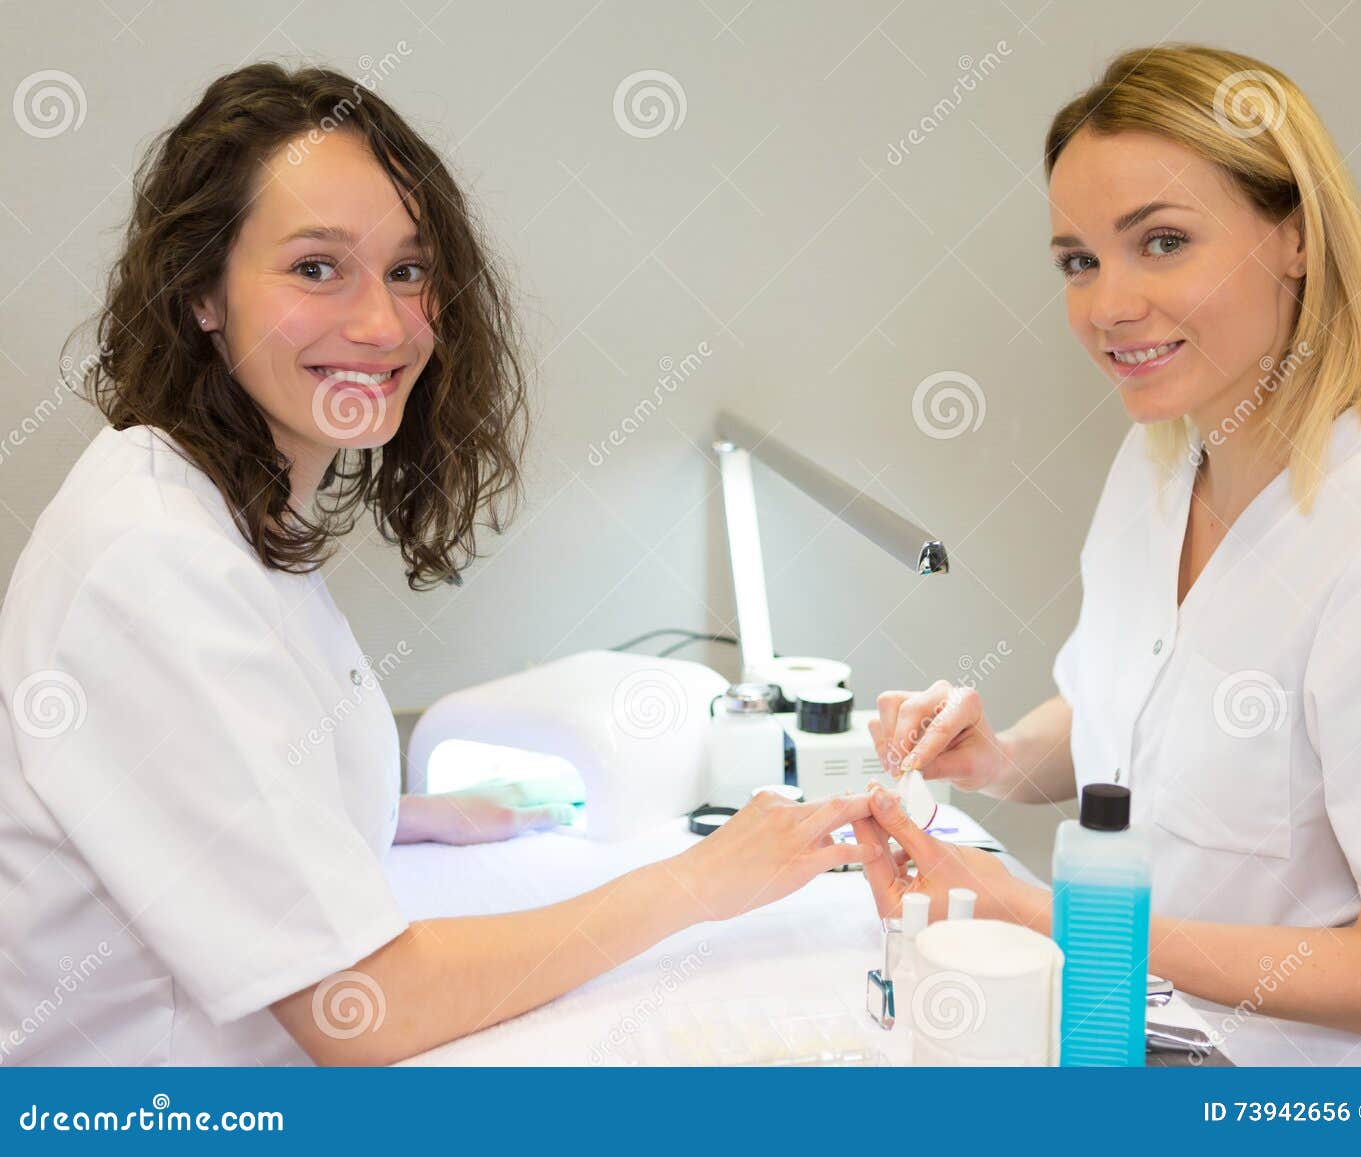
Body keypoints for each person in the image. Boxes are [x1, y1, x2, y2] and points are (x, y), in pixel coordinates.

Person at [0, 64, 876, 1067]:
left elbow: (206, 788)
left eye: (409, 271)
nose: (383, 324)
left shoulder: (212, 502)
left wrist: (403, 816)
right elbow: (364, 1008)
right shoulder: (157, 560)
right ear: (200, 291)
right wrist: (701, 883)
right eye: (316, 268)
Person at [851, 45, 1361, 1067]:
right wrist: (998, 757)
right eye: (1079, 260)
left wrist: (1053, 915)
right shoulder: (1156, 466)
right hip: (1133, 1051)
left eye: (1164, 242)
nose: (1107, 304)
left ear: (1296, 238)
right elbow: (1127, 715)